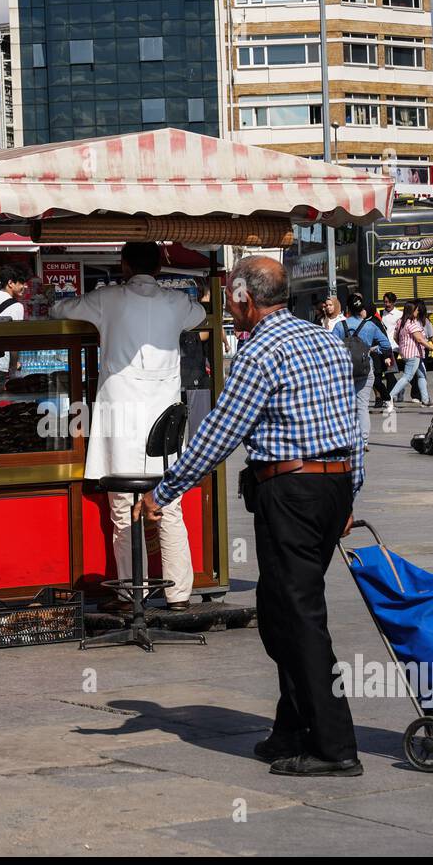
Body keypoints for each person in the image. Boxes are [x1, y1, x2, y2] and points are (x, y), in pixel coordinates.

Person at [136, 256, 363, 777]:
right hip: (329, 486)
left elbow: (220, 432)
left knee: (299, 617)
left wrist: (165, 491)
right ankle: (291, 729)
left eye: (229, 295)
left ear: (243, 296)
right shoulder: (324, 339)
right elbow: (355, 421)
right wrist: (349, 492)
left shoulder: (259, 350)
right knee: (281, 608)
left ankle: (334, 746)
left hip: (292, 491)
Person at [49, 242, 205, 612]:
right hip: (162, 425)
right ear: (160, 268)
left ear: (124, 264)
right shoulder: (177, 304)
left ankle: (130, 593)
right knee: (170, 507)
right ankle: (179, 595)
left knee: (123, 511)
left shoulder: (108, 299)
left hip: (121, 420)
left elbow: (60, 309)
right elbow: (200, 313)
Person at [337, 297, 393, 452]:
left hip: (344, 370)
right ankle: (364, 440)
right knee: (362, 405)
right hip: (364, 369)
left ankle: (346, 440)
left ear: (347, 311)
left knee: (344, 406)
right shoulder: (370, 326)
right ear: (362, 310)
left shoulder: (340, 326)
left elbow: (330, 346)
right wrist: (371, 350)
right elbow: (386, 345)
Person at [386, 302, 433, 409]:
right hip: (414, 354)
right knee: (407, 377)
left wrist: (403, 345)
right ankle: (390, 397)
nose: (418, 312)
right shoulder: (411, 324)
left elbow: (395, 337)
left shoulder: (400, 322)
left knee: (422, 375)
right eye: (416, 310)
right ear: (412, 311)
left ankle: (425, 400)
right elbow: (420, 339)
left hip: (410, 353)